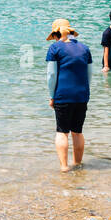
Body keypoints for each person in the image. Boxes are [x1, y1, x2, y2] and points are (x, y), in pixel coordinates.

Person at [45, 18, 92, 172]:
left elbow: (51, 76)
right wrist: (85, 93)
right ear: (71, 32)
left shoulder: (55, 49)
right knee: (77, 132)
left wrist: (52, 96)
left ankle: (64, 167)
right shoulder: (85, 49)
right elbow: (89, 75)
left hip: (63, 95)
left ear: (56, 34)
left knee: (62, 132)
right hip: (82, 95)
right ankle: (77, 164)